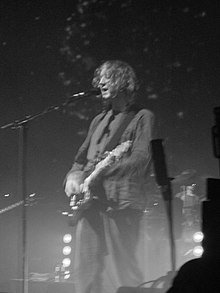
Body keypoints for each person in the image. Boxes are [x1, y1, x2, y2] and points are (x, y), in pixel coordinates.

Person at [64, 60, 154, 293]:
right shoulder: (97, 121)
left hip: (121, 203)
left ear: (124, 82)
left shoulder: (142, 117)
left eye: (109, 77)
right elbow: (80, 160)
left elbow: (141, 158)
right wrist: (74, 177)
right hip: (89, 204)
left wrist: (103, 173)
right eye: (100, 77)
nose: (101, 81)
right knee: (86, 272)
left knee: (124, 272)